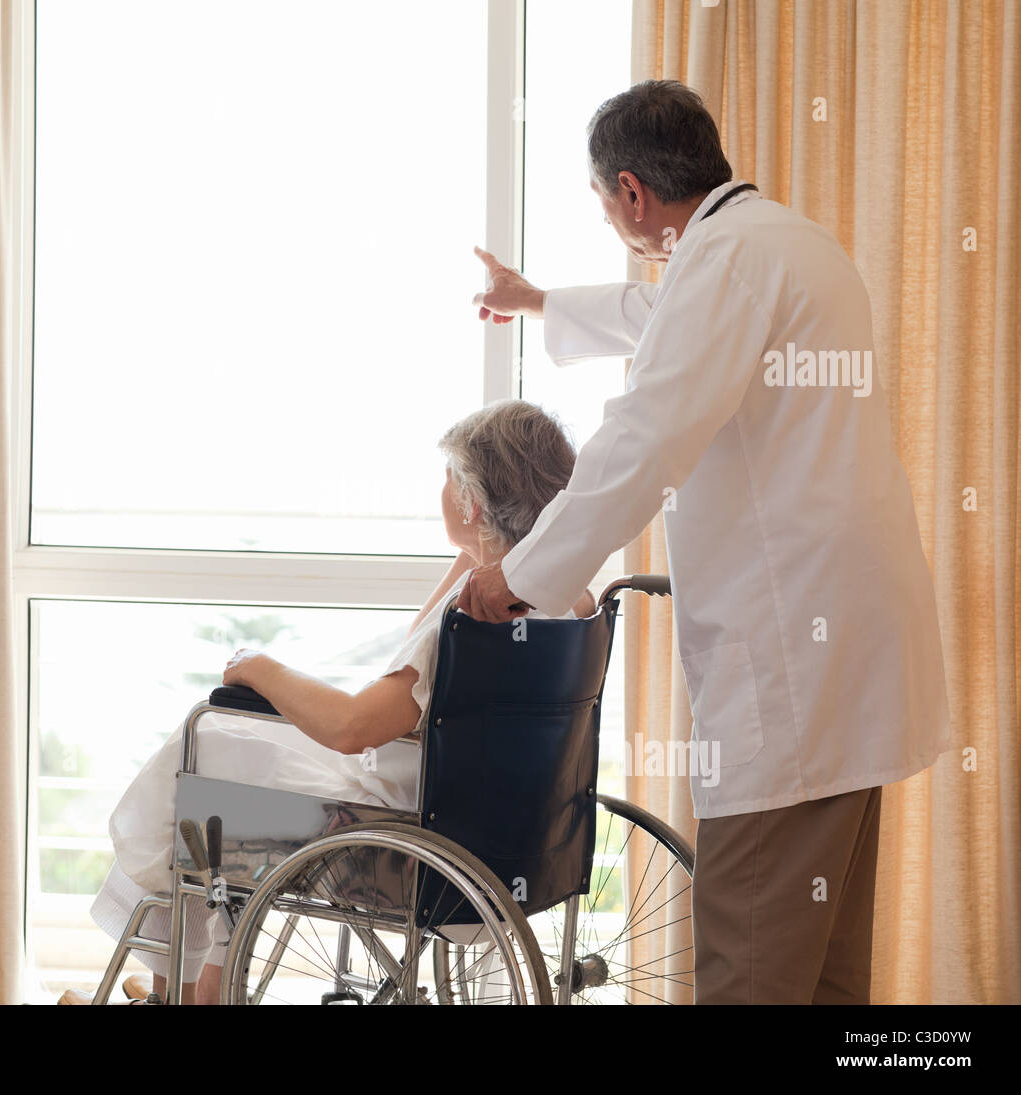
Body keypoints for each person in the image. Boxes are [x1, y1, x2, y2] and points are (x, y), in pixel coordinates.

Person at [463, 79, 952, 1004]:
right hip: (852, 644)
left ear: (632, 191)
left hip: (793, 661)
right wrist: (538, 302)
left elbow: (645, 434)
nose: (612, 220)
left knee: (753, 965)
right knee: (828, 969)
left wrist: (520, 576)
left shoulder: (724, 265)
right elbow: (664, 325)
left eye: (605, 203)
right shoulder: (783, 243)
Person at [59, 399, 596, 1004]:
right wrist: (482, 547)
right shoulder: (570, 602)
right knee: (234, 788)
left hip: (396, 828)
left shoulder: (468, 623)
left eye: (450, 477)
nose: (441, 489)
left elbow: (352, 727)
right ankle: (203, 987)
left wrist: (257, 668)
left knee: (201, 748)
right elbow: (411, 650)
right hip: (500, 838)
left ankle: (174, 989)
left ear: (471, 501)